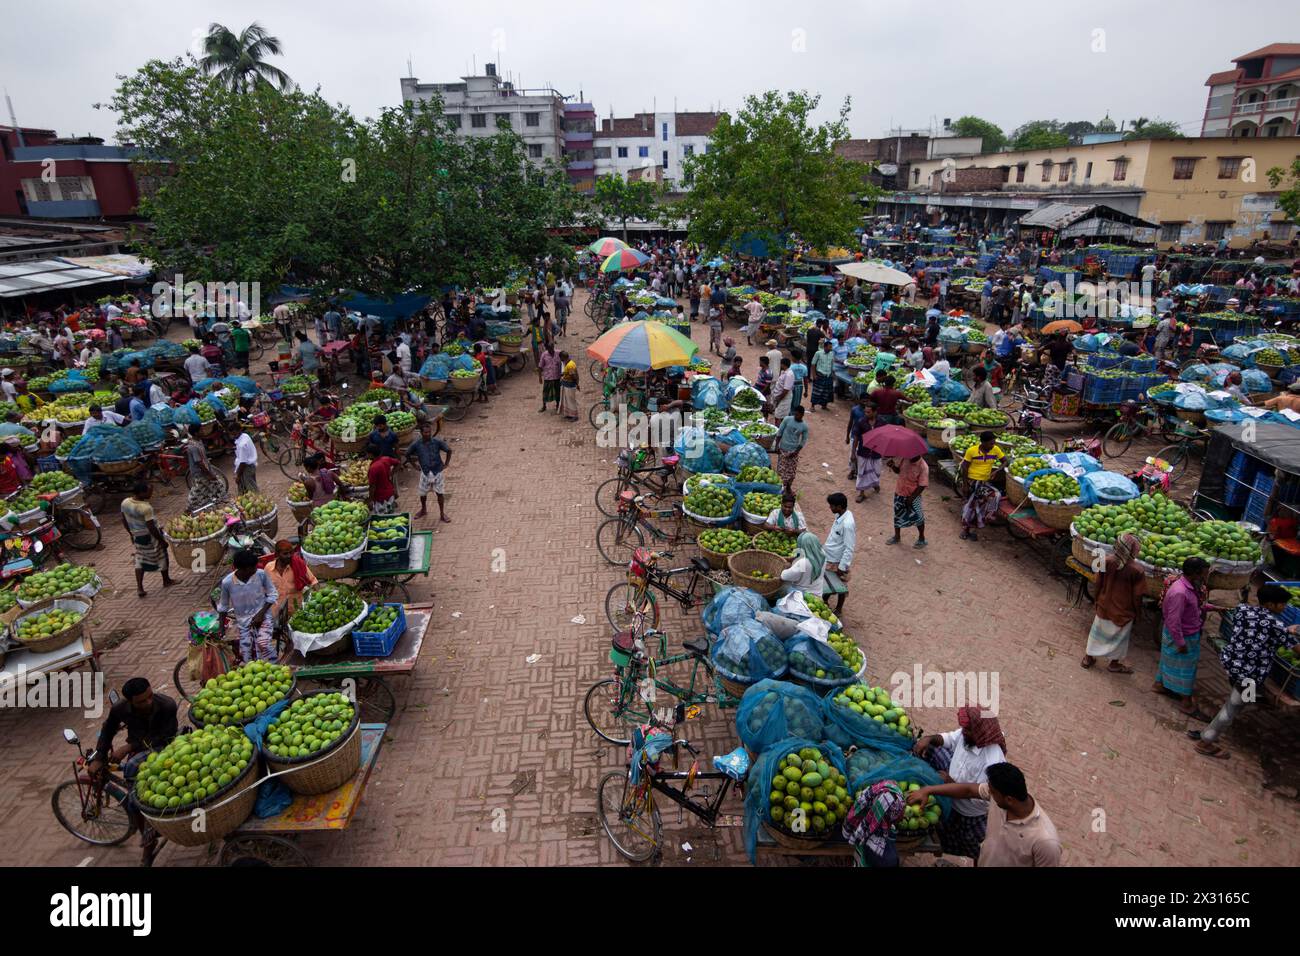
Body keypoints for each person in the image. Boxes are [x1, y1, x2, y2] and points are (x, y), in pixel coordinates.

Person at [1190, 583, 1300, 759]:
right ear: (1270, 604)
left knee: (1240, 700)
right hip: (1250, 675)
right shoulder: (1276, 625)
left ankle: (1211, 730)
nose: (1284, 607)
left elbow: (1261, 630)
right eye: (1282, 604)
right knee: (1233, 708)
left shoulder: (1243, 610)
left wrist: (1287, 631)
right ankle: (1205, 741)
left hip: (1233, 664)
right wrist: (1289, 633)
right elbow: (1296, 648)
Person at [89, 677, 178, 862]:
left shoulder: (167, 705)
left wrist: (128, 747)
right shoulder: (120, 709)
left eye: (150, 696)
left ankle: (148, 840)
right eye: (141, 701)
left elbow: (165, 736)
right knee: (133, 776)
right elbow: (108, 729)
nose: (149, 702)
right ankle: (146, 829)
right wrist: (99, 757)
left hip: (165, 748)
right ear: (130, 702)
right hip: (139, 749)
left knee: (133, 794)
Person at [907, 761, 1060, 867]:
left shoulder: (1046, 842)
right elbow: (968, 790)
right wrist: (928, 790)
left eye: (992, 792)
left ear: (1009, 799)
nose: (989, 793)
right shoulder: (1004, 797)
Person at [911, 706, 1008, 861]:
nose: (963, 732)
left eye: (968, 730)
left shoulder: (994, 761)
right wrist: (928, 739)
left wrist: (950, 783)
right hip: (951, 779)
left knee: (983, 852)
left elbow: (977, 796)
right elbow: (949, 739)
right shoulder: (968, 734)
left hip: (968, 811)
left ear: (979, 732)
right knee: (930, 747)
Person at [1156, 556, 1212, 720]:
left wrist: (1213, 608)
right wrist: (1180, 643)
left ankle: (1160, 685)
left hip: (1181, 634)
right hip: (1182, 636)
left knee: (1168, 662)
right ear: (1195, 574)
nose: (1206, 577)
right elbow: (1173, 621)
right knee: (1186, 671)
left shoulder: (1190, 587)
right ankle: (1186, 703)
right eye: (1204, 573)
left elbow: (1194, 607)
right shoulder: (1180, 592)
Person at [1082, 531, 1145, 674]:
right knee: (1120, 638)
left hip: (1104, 605)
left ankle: (1088, 658)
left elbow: (1098, 583)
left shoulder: (1106, 561)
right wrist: (1138, 613)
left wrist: (1097, 599)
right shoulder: (1137, 570)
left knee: (1097, 633)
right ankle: (1114, 664)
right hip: (1124, 610)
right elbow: (1137, 596)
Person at [216, 548, 279, 662]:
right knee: (246, 655)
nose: (255, 569)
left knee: (263, 643)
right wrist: (221, 628)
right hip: (243, 622)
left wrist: (261, 614)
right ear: (242, 569)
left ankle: (275, 666)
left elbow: (272, 594)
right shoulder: (227, 582)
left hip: (264, 617)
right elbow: (223, 606)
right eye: (252, 567)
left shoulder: (260, 574)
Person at [120, 481, 173, 597]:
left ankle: (140, 588)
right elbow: (151, 527)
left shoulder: (125, 502)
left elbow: (123, 520)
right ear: (141, 493)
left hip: (137, 536)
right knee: (162, 555)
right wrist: (162, 541)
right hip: (149, 536)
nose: (151, 493)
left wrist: (131, 534)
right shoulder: (146, 508)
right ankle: (166, 580)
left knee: (140, 559)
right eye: (149, 492)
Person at [843, 780, 907, 868]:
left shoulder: (863, 828)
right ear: (890, 816)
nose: (904, 815)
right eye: (901, 809)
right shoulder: (886, 857)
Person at [959, 431, 1005, 541]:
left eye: (994, 443)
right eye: (990, 443)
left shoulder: (995, 449)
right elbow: (964, 468)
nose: (993, 445)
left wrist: (997, 471)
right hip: (972, 481)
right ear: (983, 442)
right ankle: (966, 530)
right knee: (973, 503)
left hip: (984, 482)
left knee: (995, 495)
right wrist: (965, 485)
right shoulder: (972, 451)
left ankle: (988, 515)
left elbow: (1005, 461)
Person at [405, 421, 453, 522]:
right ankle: (423, 509)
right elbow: (407, 453)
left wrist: (446, 464)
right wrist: (414, 465)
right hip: (425, 472)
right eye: (425, 432)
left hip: (437, 471)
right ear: (421, 433)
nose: (428, 434)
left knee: (440, 493)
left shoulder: (437, 441)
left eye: (429, 432)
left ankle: (442, 513)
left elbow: (449, 450)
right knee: (422, 493)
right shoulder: (417, 444)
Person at [822, 492, 856, 614]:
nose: (830, 508)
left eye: (832, 506)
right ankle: (825, 598)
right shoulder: (840, 515)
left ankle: (839, 608)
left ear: (840, 507)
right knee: (829, 579)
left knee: (841, 585)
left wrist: (842, 566)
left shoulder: (847, 524)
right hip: (830, 556)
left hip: (838, 560)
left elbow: (849, 548)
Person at [887, 454, 928, 548]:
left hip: (913, 496)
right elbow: (899, 471)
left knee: (918, 517)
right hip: (900, 492)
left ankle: (922, 538)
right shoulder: (905, 459)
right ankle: (897, 537)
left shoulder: (923, 466)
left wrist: (911, 498)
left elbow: (922, 485)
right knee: (897, 515)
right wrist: (892, 466)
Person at [185, 423, 224, 512]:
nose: (203, 432)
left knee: (209, 489)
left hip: (205, 471)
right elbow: (199, 463)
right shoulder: (193, 447)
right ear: (196, 433)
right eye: (201, 430)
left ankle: (212, 506)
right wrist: (209, 474)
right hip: (200, 473)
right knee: (198, 492)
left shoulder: (199, 441)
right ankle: (189, 509)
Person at [779, 530, 827, 598]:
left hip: (803, 594)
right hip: (817, 591)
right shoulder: (822, 555)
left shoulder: (803, 562)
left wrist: (787, 567)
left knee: (781, 587)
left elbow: (784, 576)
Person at [774, 405, 809, 492]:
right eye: (795, 414)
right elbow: (780, 432)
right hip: (783, 449)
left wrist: (796, 451)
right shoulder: (787, 419)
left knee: (791, 472)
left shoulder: (804, 426)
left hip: (794, 451)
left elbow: (803, 441)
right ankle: (780, 488)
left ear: (802, 415)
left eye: (798, 415)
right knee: (781, 471)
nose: (796, 416)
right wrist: (777, 446)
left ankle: (788, 487)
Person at [852, 405, 882, 501]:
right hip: (863, 452)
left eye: (868, 412)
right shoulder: (861, 422)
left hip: (876, 452)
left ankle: (875, 483)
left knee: (877, 471)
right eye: (865, 412)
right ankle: (861, 493)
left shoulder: (882, 422)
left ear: (875, 412)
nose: (866, 414)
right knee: (862, 473)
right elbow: (856, 438)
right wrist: (853, 453)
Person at [367, 447, 402, 515]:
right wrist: (392, 473)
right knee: (391, 515)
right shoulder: (386, 459)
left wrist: (370, 500)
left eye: (367, 454)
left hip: (380, 498)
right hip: (390, 493)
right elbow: (398, 463)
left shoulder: (373, 468)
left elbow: (372, 486)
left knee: (382, 518)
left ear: (371, 454)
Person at [233, 416, 259, 493]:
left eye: (234, 434)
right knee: (245, 488)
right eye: (232, 434)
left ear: (239, 430)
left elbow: (243, 463)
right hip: (251, 466)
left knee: (252, 489)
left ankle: (257, 498)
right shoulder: (245, 435)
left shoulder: (242, 445)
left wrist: (238, 476)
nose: (233, 436)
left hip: (246, 468)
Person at [809, 338, 836, 411]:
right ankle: (812, 406)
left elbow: (832, 364)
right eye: (829, 347)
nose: (831, 348)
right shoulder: (818, 353)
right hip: (820, 375)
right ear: (825, 347)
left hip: (828, 375)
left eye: (831, 347)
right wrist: (814, 375)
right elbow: (813, 364)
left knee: (827, 392)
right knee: (816, 391)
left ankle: (824, 405)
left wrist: (832, 374)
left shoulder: (831, 354)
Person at [538, 342, 562, 413]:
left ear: (553, 347)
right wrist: (540, 377)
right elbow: (540, 366)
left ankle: (558, 405)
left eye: (552, 348)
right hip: (548, 377)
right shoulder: (544, 355)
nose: (551, 350)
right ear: (547, 348)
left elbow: (565, 359)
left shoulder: (558, 353)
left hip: (557, 376)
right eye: (549, 349)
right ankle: (544, 406)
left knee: (557, 391)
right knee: (545, 392)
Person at [558, 351, 580, 421]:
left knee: (571, 401)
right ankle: (569, 414)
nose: (560, 359)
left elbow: (573, 376)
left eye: (560, 358)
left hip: (570, 385)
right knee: (568, 400)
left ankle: (575, 416)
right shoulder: (569, 363)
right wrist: (564, 374)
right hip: (567, 384)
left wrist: (577, 384)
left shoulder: (570, 365)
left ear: (563, 357)